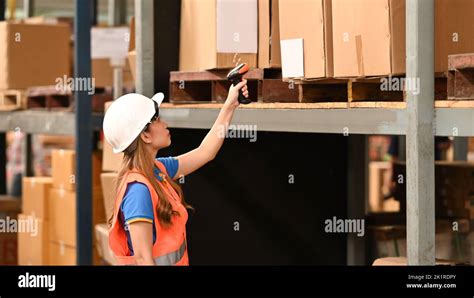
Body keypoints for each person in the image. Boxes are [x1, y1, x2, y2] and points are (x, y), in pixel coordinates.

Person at [102, 80, 249, 265]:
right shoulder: (138, 191)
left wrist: (230, 105)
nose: (164, 123)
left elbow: (205, 152)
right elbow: (142, 259)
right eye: (156, 119)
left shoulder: (158, 170)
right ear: (145, 136)